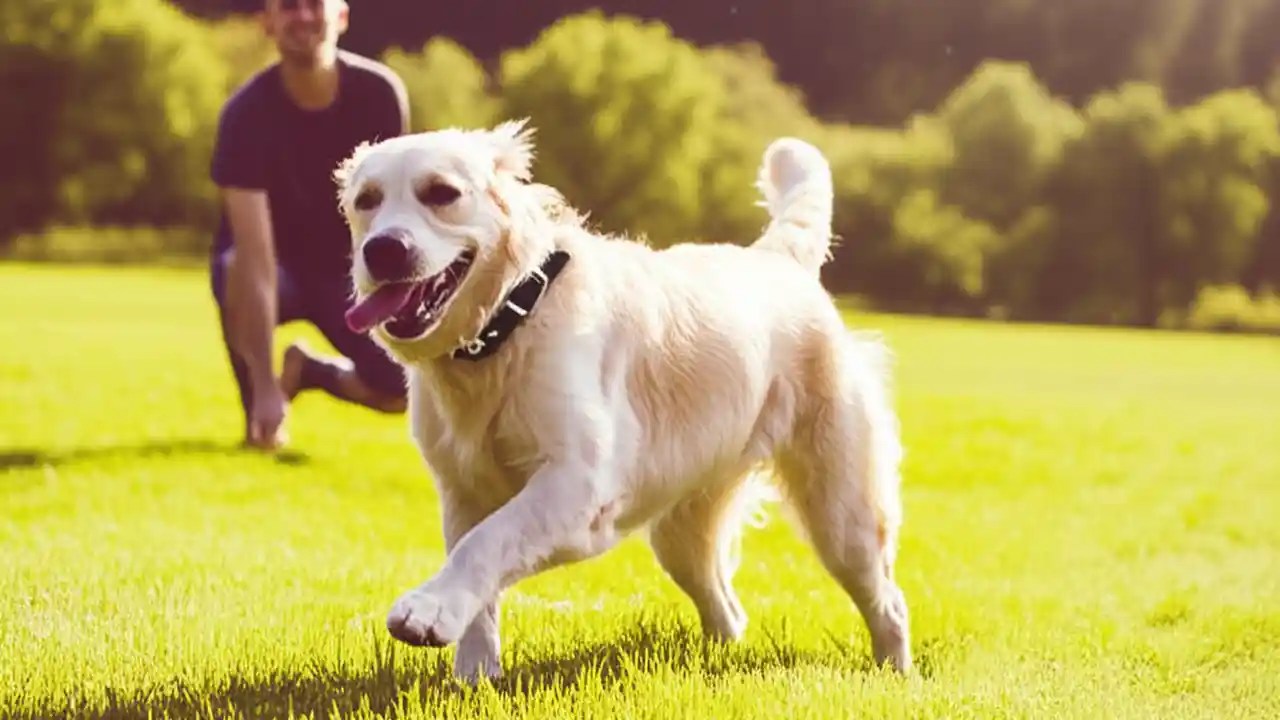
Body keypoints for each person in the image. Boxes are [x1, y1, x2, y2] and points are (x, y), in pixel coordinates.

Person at [209, 0, 411, 450]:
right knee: (234, 267)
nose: (302, 16)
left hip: (345, 272)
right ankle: (259, 413)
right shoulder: (244, 116)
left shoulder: (379, 93)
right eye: (287, 7)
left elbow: (394, 219)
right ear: (267, 24)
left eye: (314, 4)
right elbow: (256, 258)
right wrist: (263, 385)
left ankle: (311, 372)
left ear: (341, 16)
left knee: (403, 391)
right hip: (272, 268)